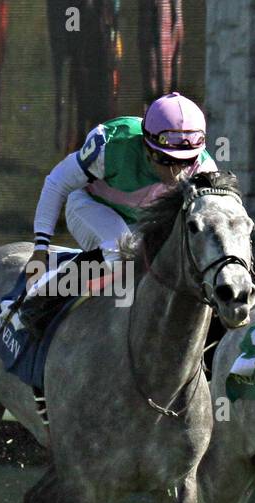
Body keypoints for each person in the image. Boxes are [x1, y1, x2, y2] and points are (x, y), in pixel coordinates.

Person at [20, 91, 214, 329]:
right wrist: (40, 247)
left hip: (140, 221)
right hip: (88, 206)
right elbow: (56, 182)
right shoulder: (110, 145)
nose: (178, 172)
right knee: (121, 248)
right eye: (168, 159)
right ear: (148, 147)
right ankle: (38, 298)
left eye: (186, 161)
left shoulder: (204, 167)